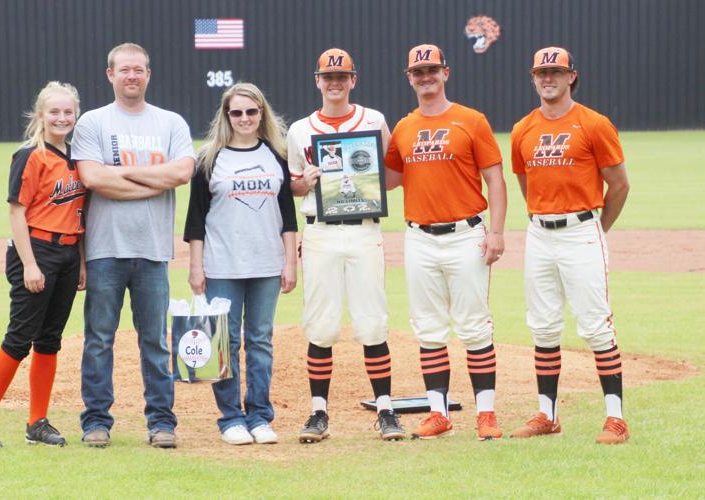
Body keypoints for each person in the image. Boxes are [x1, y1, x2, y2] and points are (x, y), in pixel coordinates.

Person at [71, 43, 195, 449]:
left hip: (153, 250)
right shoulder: (93, 122)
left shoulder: (170, 122)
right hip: (104, 249)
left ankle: (161, 422)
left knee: (155, 341)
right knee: (99, 340)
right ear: (110, 74)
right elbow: (93, 179)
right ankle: (96, 421)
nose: (131, 76)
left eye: (138, 69)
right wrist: (152, 181)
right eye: (124, 70)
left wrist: (120, 175)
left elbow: (182, 173)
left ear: (148, 74)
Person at [384, 44, 507, 441]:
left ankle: (486, 413)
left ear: (445, 73)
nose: (426, 76)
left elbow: (495, 179)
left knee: (475, 325)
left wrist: (497, 231)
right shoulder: (404, 127)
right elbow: (388, 180)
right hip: (419, 236)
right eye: (418, 71)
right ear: (409, 78)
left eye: (432, 69)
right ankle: (438, 413)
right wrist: (342, 166)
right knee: (429, 328)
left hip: (465, 234)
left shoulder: (471, 120)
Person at [509, 47, 630, 444]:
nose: (548, 78)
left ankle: (615, 419)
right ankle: (548, 415)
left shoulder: (594, 124)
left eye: (556, 72)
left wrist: (597, 229)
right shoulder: (522, 129)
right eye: (541, 72)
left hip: (582, 229)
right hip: (539, 232)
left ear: (571, 77)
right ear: (532, 78)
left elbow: (619, 185)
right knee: (543, 326)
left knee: (596, 325)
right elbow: (527, 184)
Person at [287, 48, 406, 443]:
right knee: (321, 325)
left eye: (342, 77)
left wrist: (371, 182)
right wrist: (305, 182)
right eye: (328, 77)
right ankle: (318, 412)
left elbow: (392, 176)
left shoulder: (373, 120)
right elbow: (292, 185)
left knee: (372, 322)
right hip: (319, 230)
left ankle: (386, 410)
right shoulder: (300, 130)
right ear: (318, 81)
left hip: (363, 228)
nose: (334, 83)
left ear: (352, 80)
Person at [0, 81, 87, 448]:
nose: (61, 117)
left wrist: (81, 261)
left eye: (68, 111)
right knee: (19, 339)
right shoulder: (30, 155)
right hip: (36, 250)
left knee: (49, 340)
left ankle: (37, 422)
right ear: (40, 115)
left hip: (69, 253)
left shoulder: (78, 157)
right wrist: (30, 265)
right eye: (54, 111)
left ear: (76, 115)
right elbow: (16, 213)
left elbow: (79, 213)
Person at [184, 82, 298, 445]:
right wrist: (196, 267)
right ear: (226, 115)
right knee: (226, 341)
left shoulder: (276, 154)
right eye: (237, 112)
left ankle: (260, 416)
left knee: (260, 341)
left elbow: (287, 214)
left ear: (261, 113)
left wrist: (290, 262)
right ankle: (231, 417)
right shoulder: (209, 158)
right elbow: (195, 219)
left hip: (267, 264)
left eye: (251, 111)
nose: (244, 118)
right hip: (222, 265)